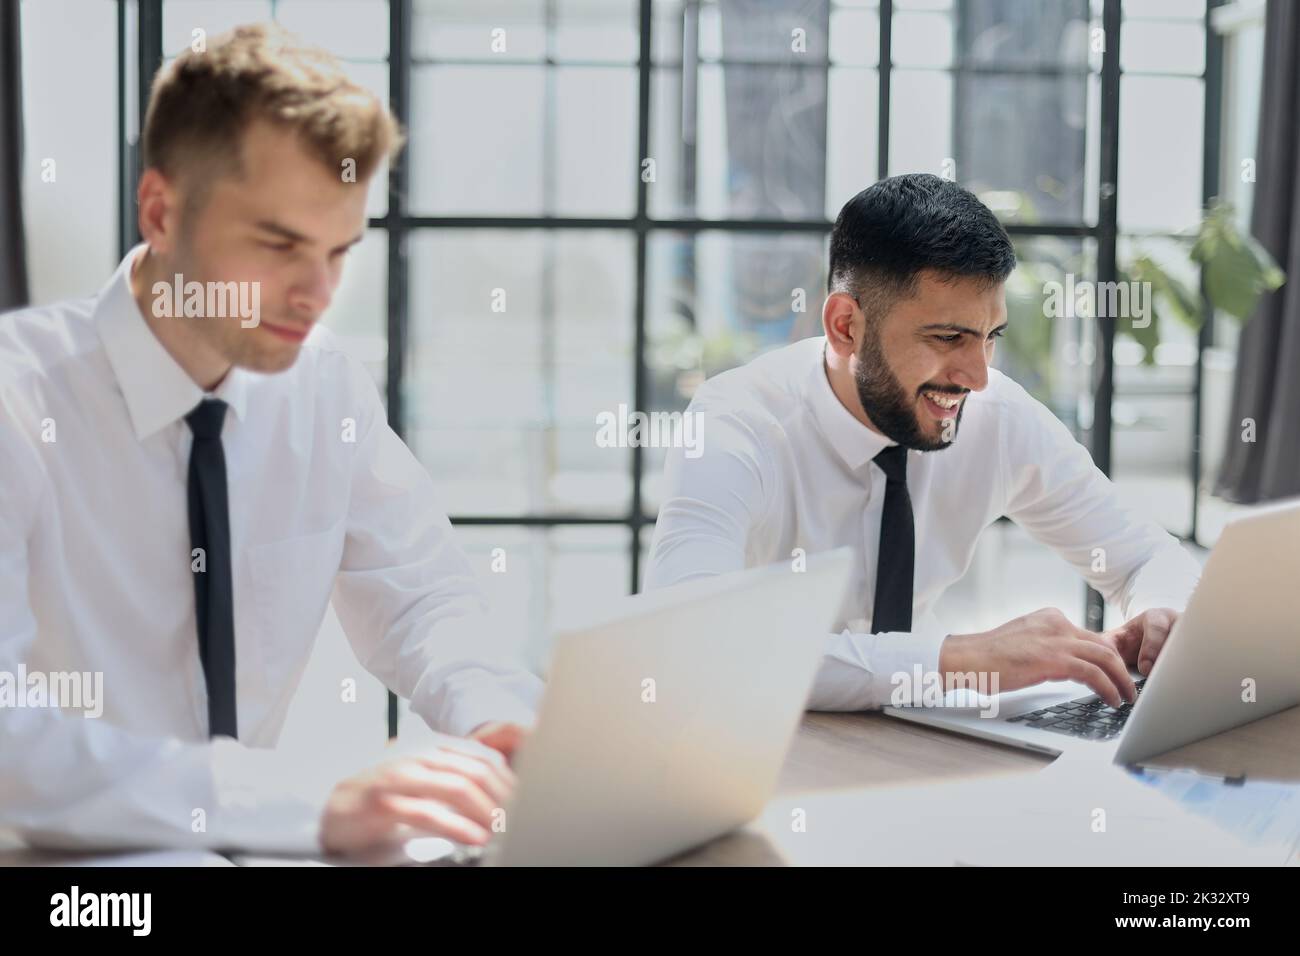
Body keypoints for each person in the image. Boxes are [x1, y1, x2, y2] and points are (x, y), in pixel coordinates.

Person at [0, 24, 538, 856]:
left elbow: (424, 598)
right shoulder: (16, 401)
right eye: (279, 245)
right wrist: (308, 802)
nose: (317, 293)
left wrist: (501, 716)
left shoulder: (321, 385)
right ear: (161, 211)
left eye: (339, 251)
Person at [645, 174, 1201, 711]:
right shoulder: (734, 427)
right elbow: (691, 643)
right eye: (948, 337)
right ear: (845, 326)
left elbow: (1145, 556)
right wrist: (963, 659)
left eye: (991, 337)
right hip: (759, 754)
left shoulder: (997, 416)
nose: (977, 376)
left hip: (919, 744)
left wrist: (1161, 614)